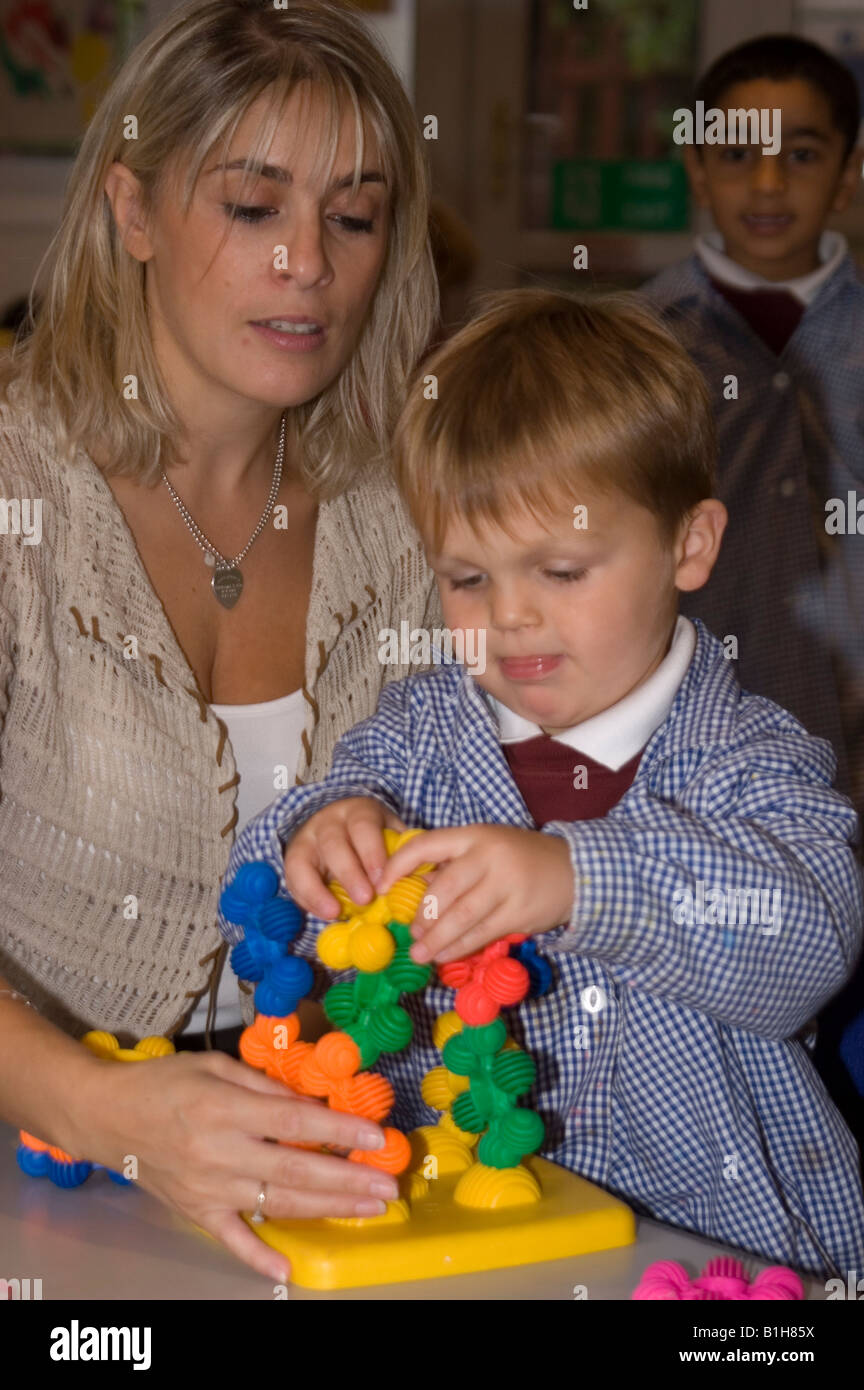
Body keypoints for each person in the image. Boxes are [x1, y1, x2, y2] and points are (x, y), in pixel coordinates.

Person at [221, 289, 864, 1277]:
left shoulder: (753, 757)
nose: (510, 616)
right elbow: (272, 908)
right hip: (460, 1240)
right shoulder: (417, 739)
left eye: (560, 571)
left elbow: (809, 938)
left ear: (689, 545)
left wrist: (579, 880)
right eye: (468, 578)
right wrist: (319, 837)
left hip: (718, 1256)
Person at [0, 0, 441, 1280]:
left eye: (352, 218)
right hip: (43, 1175)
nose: (307, 262)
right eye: (253, 207)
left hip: (334, 1180)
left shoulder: (415, 512)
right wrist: (106, 1109)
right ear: (132, 210)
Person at [640, 34, 864, 1158]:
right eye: (737, 153)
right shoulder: (630, 348)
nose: (768, 183)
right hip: (684, 794)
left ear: (852, 169)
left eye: (804, 153)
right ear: (695, 162)